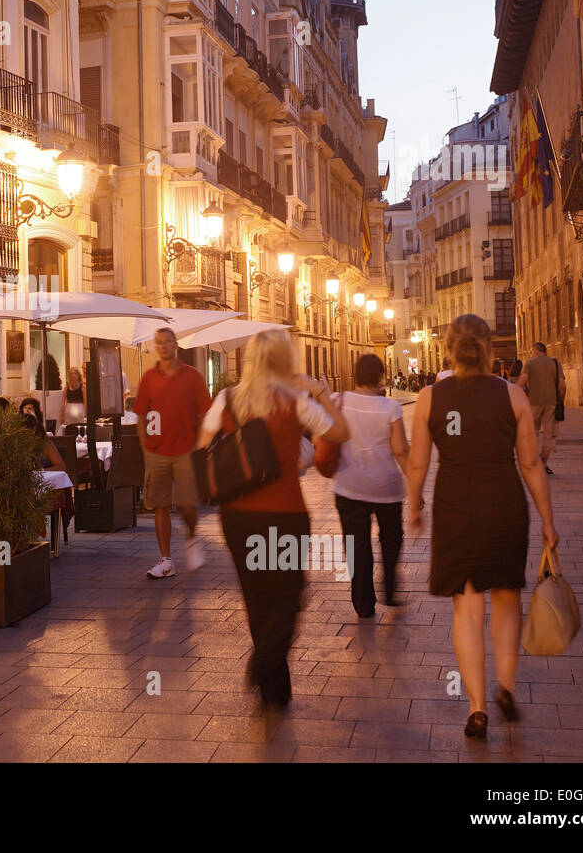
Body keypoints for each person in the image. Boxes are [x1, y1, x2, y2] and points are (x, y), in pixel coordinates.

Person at [407, 315, 558, 740]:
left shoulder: (428, 398)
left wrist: (415, 503)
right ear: (490, 349)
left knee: (467, 608)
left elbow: (418, 462)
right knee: (507, 599)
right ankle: (505, 687)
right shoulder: (513, 396)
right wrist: (548, 519)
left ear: (450, 349)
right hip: (504, 503)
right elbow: (530, 463)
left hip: (456, 506)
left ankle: (476, 709)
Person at [199, 330, 349, 706]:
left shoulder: (227, 399)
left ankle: (274, 688)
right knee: (289, 594)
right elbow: (341, 431)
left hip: (237, 518)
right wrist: (320, 393)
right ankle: (264, 661)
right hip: (284, 515)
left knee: (257, 597)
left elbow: (202, 443)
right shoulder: (295, 401)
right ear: (285, 362)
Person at [332, 354, 409, 618]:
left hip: (348, 487)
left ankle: (363, 602)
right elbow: (400, 450)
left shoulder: (338, 402)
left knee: (356, 544)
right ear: (380, 375)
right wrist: (417, 485)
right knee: (391, 539)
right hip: (386, 487)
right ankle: (389, 587)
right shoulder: (391, 408)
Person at [135, 327, 214, 579]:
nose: (163, 346)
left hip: (185, 450)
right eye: (159, 342)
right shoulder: (148, 377)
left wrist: (200, 442)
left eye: (167, 342)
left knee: (187, 503)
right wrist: (145, 443)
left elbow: (206, 412)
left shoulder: (192, 376)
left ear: (175, 344)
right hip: (157, 451)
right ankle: (166, 560)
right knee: (160, 505)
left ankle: (191, 539)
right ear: (155, 346)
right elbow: (140, 413)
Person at [518, 342, 566, 475]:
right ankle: (544, 463)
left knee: (532, 432)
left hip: (533, 403)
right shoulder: (556, 364)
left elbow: (521, 383)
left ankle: (534, 462)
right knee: (549, 434)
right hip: (551, 403)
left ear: (536, 350)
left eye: (531, 351)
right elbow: (562, 385)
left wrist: (517, 397)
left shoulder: (530, 363)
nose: (531, 354)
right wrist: (561, 401)